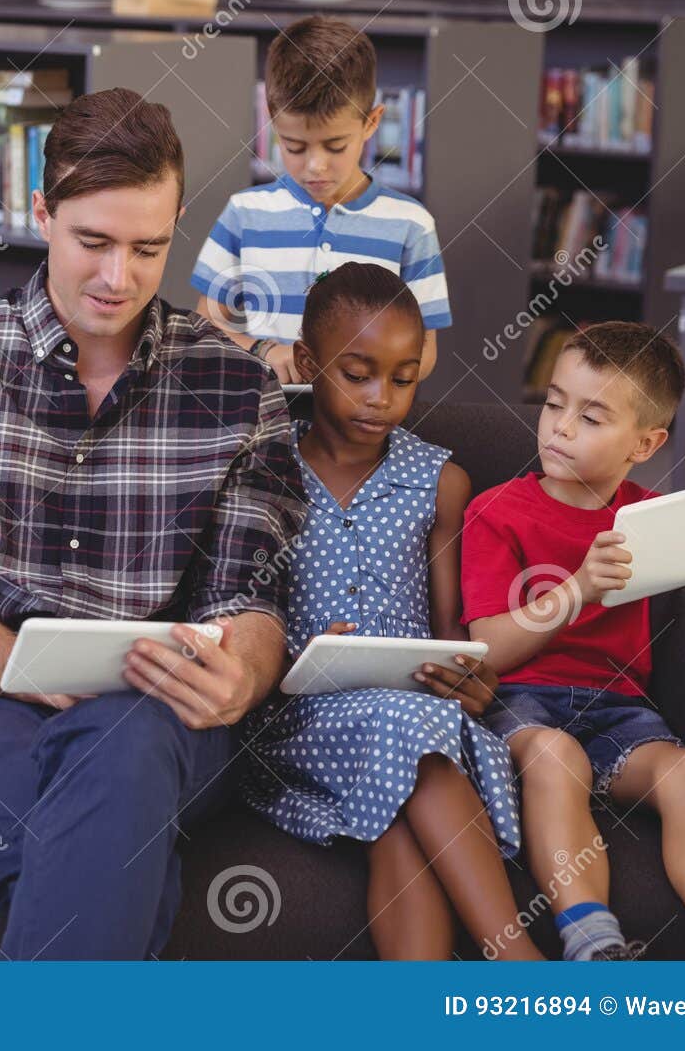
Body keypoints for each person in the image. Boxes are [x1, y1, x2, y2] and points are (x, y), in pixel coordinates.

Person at [0, 87, 307, 959]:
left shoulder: (237, 387)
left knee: (126, 736)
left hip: (167, 718)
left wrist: (244, 676)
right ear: (41, 214)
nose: (118, 277)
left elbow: (251, 596)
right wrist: (36, 675)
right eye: (93, 242)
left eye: (148, 248)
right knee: (105, 843)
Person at [462, 322, 685, 960]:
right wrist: (578, 590)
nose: (559, 428)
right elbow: (489, 649)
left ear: (645, 443)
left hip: (620, 710)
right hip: (522, 707)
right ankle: (593, 943)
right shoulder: (495, 511)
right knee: (557, 756)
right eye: (553, 403)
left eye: (590, 418)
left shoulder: (655, 518)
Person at [242, 262, 540, 960]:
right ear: (308, 363)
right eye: (358, 375)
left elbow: (452, 634)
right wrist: (298, 659)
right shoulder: (263, 468)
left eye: (403, 380)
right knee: (404, 737)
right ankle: (518, 960)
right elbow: (235, 610)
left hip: (414, 721)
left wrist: (472, 679)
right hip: (296, 720)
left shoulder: (441, 481)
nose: (381, 399)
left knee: (399, 810)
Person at [192, 16, 450, 383]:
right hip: (262, 408)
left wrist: (366, 377)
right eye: (294, 147)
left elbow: (424, 349)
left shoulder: (411, 225)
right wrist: (264, 350)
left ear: (372, 122)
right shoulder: (245, 214)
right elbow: (206, 327)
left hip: (365, 413)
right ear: (272, 121)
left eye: (335, 146)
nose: (315, 166)